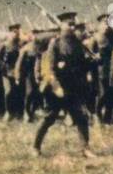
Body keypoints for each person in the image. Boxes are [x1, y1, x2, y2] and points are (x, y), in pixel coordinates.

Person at [33, 11, 95, 157]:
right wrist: (57, 87)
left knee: (81, 118)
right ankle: (35, 147)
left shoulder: (78, 44)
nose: (72, 27)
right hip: (57, 88)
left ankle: (85, 148)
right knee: (49, 118)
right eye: (69, 24)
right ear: (61, 25)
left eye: (74, 24)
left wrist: (91, 62)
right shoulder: (55, 43)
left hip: (73, 87)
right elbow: (50, 69)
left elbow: (82, 65)